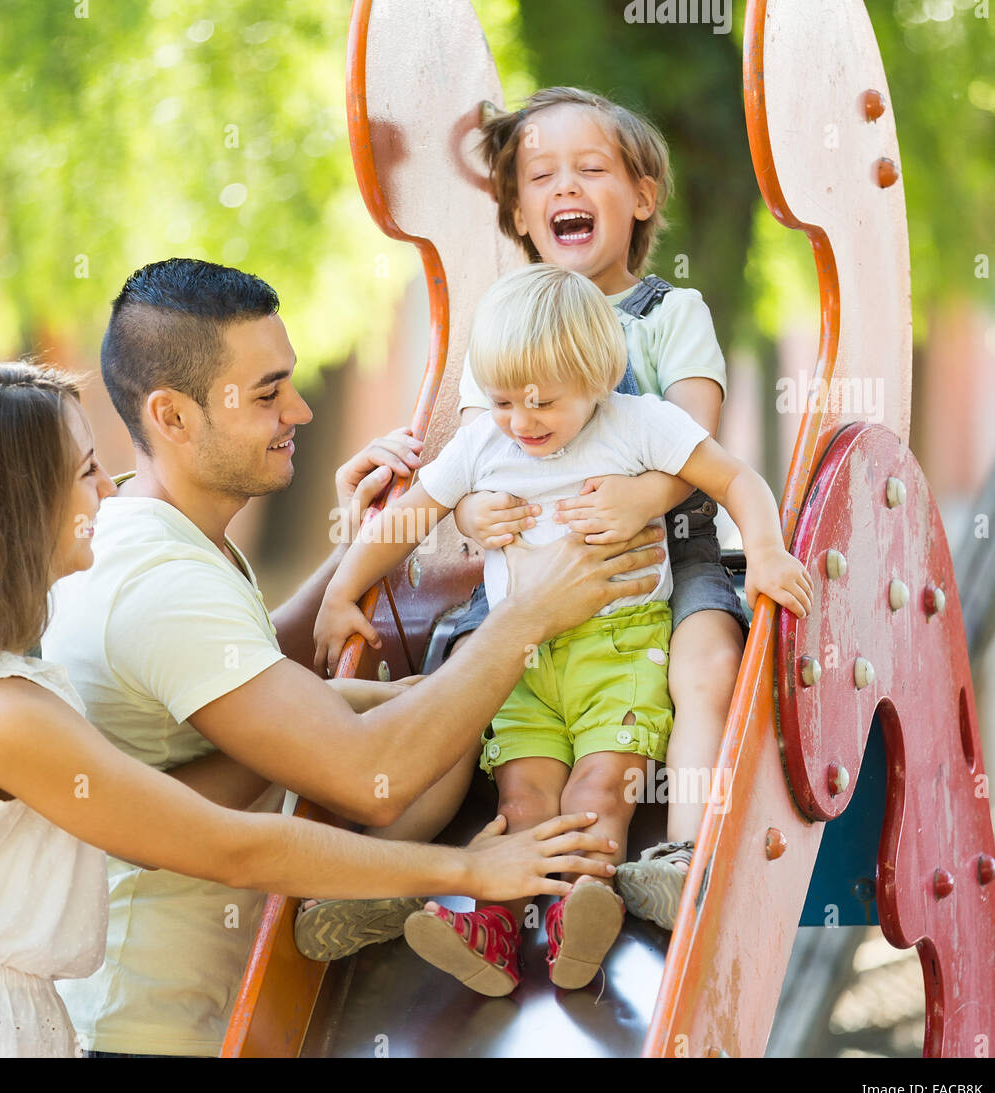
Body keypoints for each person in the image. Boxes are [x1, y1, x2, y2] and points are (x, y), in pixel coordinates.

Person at [0, 362, 621, 1057]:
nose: (106, 495)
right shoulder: (3, 711)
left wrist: (322, 706)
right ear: (14, 507)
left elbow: (171, 816)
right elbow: (231, 847)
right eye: (83, 474)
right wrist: (471, 872)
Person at [40, 258, 669, 1056]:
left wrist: (355, 558)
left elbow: (245, 664)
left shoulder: (164, 539)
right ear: (172, 415)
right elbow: (371, 778)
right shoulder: (157, 585)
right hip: (154, 1032)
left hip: (216, 1010)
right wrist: (529, 613)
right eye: (267, 394)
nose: (298, 410)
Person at [313, 263, 813, 994]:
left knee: (600, 791)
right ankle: (496, 924)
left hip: (619, 650)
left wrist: (765, 553)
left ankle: (579, 912)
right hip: (519, 659)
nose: (523, 420)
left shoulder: (639, 426)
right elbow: (412, 512)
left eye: (543, 401)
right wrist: (341, 590)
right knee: (522, 802)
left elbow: (737, 478)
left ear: (599, 377)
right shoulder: (488, 442)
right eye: (506, 399)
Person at [447, 86, 755, 930]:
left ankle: (681, 854)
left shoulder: (669, 314)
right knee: (456, 680)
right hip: (534, 572)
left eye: (591, 169)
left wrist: (644, 499)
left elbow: (701, 445)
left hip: (665, 550)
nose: (564, 189)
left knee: (708, 663)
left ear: (642, 197)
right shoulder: (506, 326)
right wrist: (473, 516)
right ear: (517, 211)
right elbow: (476, 458)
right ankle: (458, 883)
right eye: (541, 176)